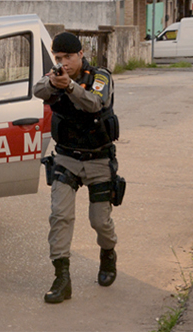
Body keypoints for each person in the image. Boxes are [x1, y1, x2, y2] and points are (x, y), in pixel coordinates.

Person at [32, 32, 122, 304]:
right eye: (58, 58)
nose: (64, 62)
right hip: (67, 158)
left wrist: (69, 86)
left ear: (81, 54)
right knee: (60, 216)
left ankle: (108, 253)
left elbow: (95, 103)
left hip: (98, 159)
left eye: (68, 57)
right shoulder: (55, 75)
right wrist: (54, 81)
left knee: (100, 221)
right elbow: (38, 90)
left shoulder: (101, 77)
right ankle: (62, 277)